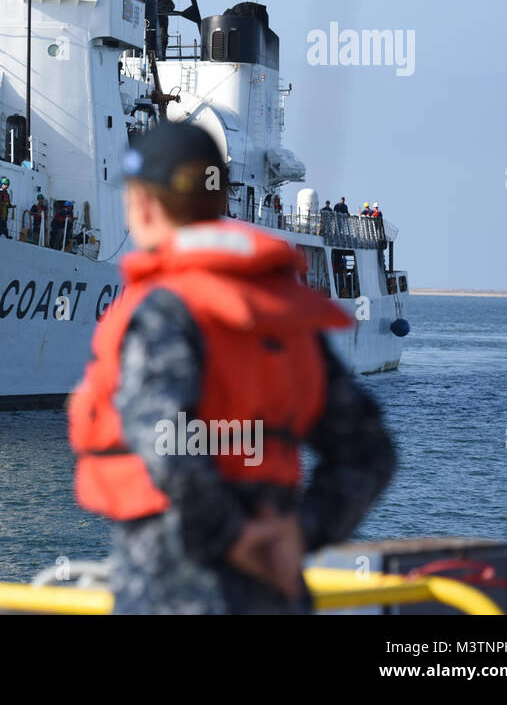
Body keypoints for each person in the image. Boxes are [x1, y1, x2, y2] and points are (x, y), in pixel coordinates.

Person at [67, 121, 396, 614]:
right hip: (277, 591)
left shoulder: (164, 313)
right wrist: (300, 533)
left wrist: (233, 536)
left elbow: (163, 441)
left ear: (142, 203)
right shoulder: (286, 319)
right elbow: (370, 451)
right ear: (221, 198)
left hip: (169, 589)